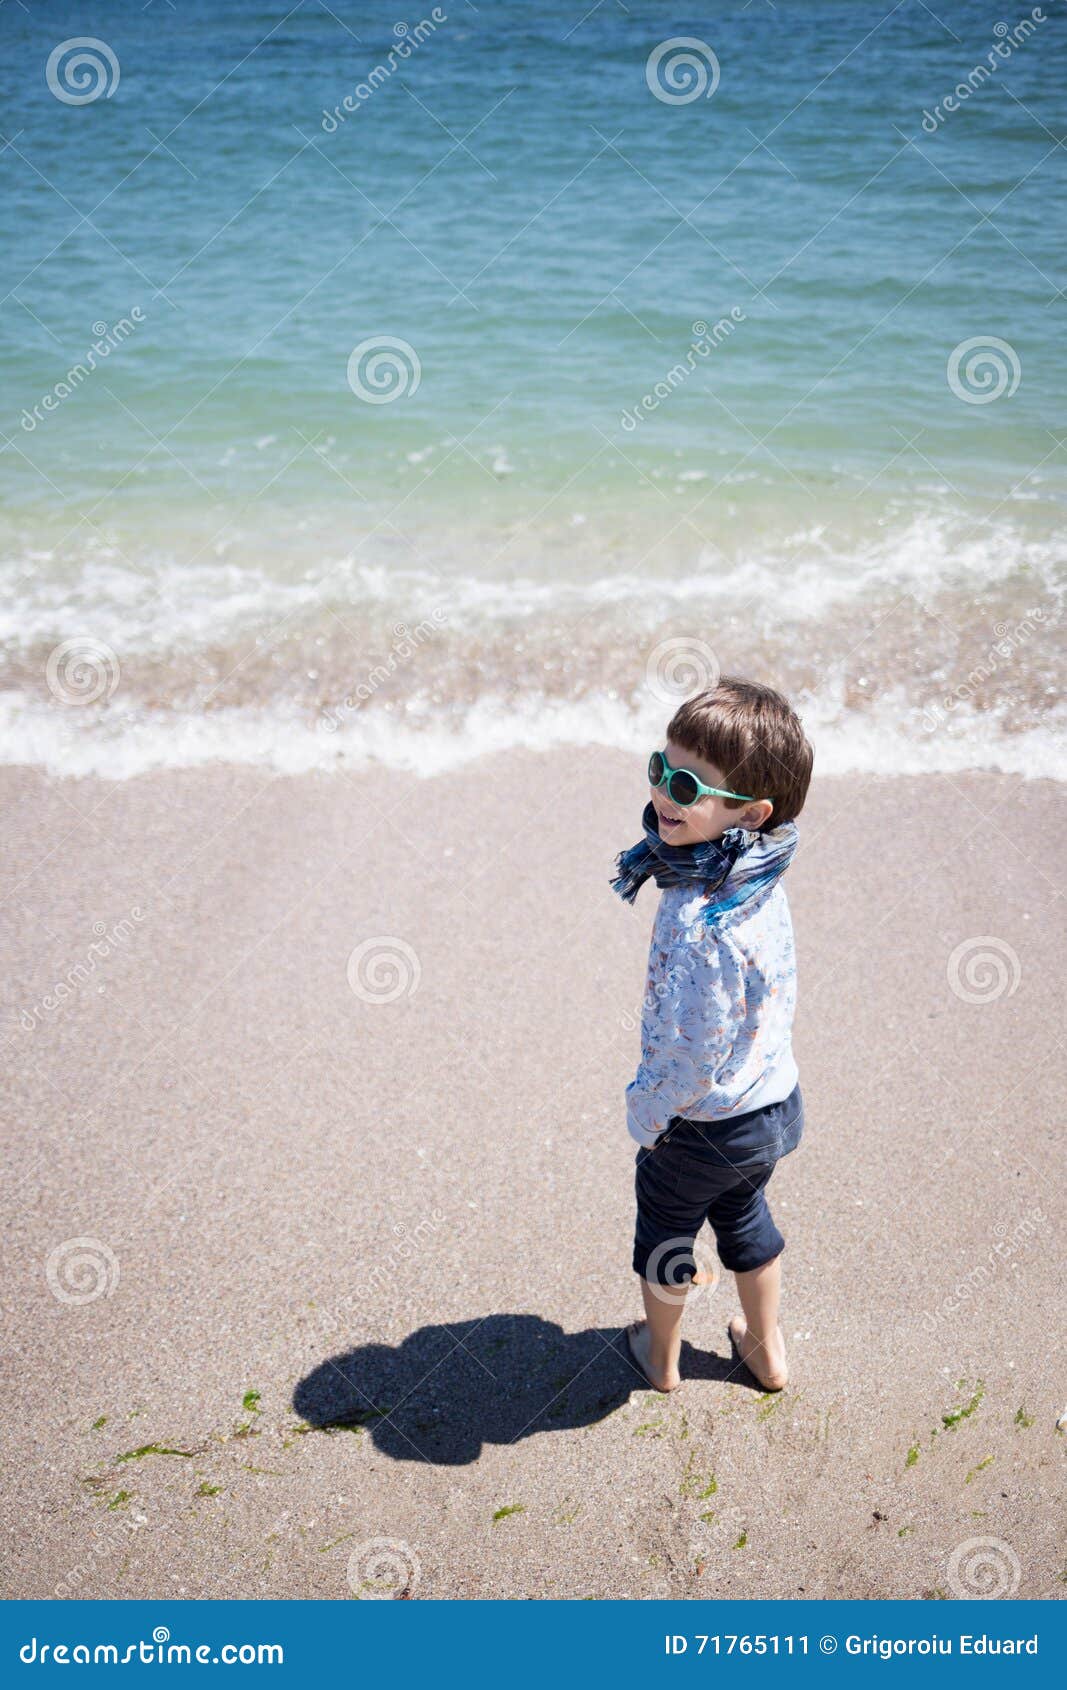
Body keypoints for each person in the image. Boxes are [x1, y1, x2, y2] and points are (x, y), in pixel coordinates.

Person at [612, 675, 813, 1393]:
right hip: (770, 1108)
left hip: (701, 1124)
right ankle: (765, 1351)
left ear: (750, 812)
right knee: (746, 1220)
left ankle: (659, 1360)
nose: (665, 793)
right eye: (660, 770)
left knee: (666, 1239)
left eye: (689, 786)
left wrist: (649, 1110)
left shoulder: (700, 919)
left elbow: (695, 1051)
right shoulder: (760, 874)